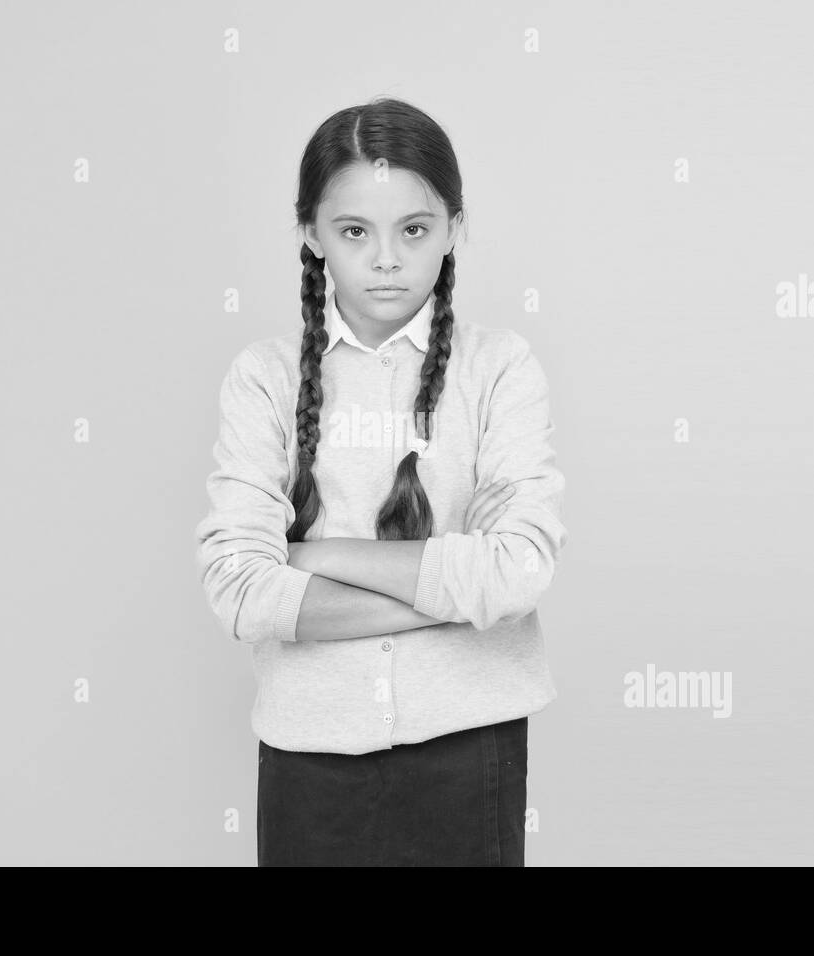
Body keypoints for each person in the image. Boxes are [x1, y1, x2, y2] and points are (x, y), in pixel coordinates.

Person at [194, 96, 567, 866]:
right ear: (311, 233)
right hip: (310, 759)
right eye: (355, 231)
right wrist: (456, 598)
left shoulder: (500, 369)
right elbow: (240, 588)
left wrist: (313, 557)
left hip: (470, 749)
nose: (387, 259)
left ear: (455, 228)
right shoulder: (264, 379)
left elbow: (521, 569)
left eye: (415, 229)